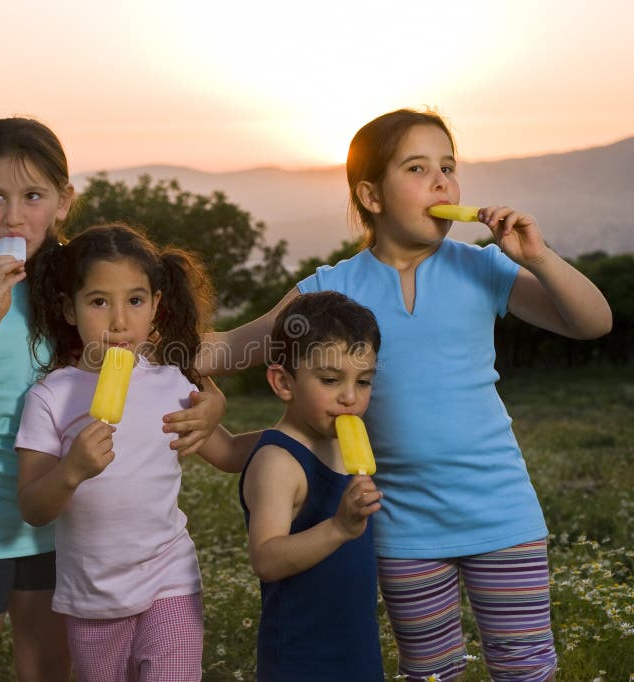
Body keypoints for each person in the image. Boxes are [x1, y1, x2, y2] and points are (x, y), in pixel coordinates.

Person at [200, 108, 613, 681]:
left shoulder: (484, 268)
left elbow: (592, 323)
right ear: (371, 195)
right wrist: (133, 348)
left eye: (449, 167)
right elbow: (231, 348)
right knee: (431, 672)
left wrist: (538, 258)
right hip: (402, 526)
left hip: (502, 513)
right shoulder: (331, 288)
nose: (441, 181)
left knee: (527, 669)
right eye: (418, 168)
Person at [0, 118, 224, 682]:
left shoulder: (80, 281)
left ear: (63, 202)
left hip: (68, 524)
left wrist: (214, 400)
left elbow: (157, 351)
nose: (14, 216)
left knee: (47, 670)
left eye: (33, 197)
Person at [14, 223, 259, 682]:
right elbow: (32, 507)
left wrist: (295, 437)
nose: (120, 322)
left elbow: (227, 453)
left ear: (156, 306)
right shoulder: (49, 398)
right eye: (98, 302)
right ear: (69, 309)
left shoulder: (172, 382)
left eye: (135, 300)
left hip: (170, 577)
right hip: (92, 597)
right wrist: (70, 472)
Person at [239, 291, 385, 681]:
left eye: (364, 381)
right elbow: (266, 560)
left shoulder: (340, 443)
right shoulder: (278, 462)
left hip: (355, 649)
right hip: (302, 659)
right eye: (330, 380)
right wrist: (338, 528)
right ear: (283, 382)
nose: (350, 397)